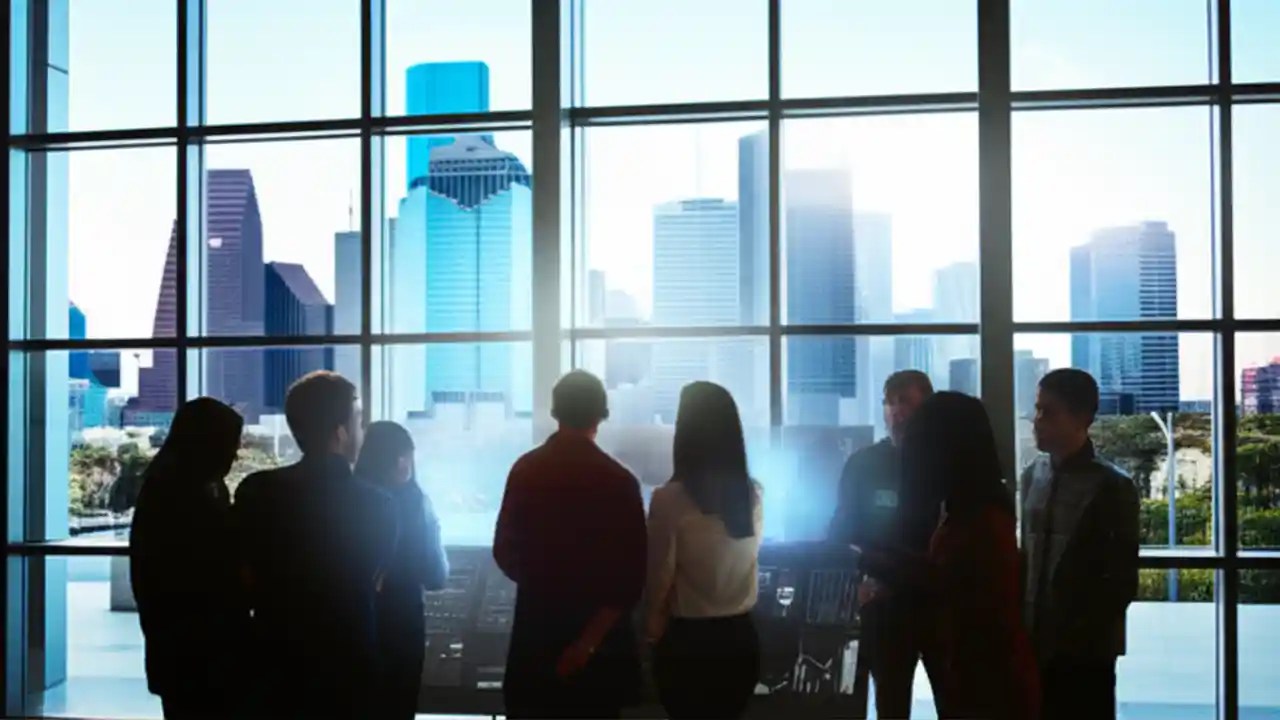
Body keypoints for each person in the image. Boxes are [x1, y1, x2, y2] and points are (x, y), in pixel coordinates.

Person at [861, 392, 1039, 720]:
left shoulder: (980, 519)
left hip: (985, 685)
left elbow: (947, 581)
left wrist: (873, 561)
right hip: (978, 678)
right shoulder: (971, 508)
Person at [234, 371, 398, 719]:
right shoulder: (377, 504)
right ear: (339, 432)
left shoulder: (256, 491)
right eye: (358, 421)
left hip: (276, 661)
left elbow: (244, 575)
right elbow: (376, 580)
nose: (362, 431)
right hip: (349, 661)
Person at [494, 370, 646, 719]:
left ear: (555, 412)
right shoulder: (620, 482)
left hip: (536, 637)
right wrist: (587, 643)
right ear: (600, 416)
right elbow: (631, 579)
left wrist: (541, 578)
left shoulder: (525, 471)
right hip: (600, 655)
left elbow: (504, 551)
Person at [1023, 369, 1140, 720]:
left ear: (1082, 419)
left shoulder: (1112, 486)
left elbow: (1120, 580)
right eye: (1037, 409)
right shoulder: (1032, 476)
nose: (1037, 421)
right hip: (1033, 642)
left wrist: (1085, 634)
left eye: (1049, 412)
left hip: (1085, 652)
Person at [827, 370, 941, 718]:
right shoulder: (865, 464)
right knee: (891, 702)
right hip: (884, 605)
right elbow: (842, 532)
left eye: (904, 401)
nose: (895, 411)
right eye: (888, 402)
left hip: (940, 606)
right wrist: (858, 583)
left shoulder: (946, 464)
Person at [647, 382, 762, 720]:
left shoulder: (669, 500)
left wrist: (651, 629)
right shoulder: (752, 495)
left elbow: (660, 576)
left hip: (689, 644)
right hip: (741, 638)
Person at [129, 397, 247, 719]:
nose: (235, 455)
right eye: (231, 444)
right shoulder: (188, 492)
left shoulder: (170, 484)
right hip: (201, 649)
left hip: (181, 650)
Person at [355, 421, 450, 720]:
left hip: (353, 622)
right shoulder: (416, 505)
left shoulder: (350, 500)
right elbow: (435, 574)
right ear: (403, 460)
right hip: (402, 623)